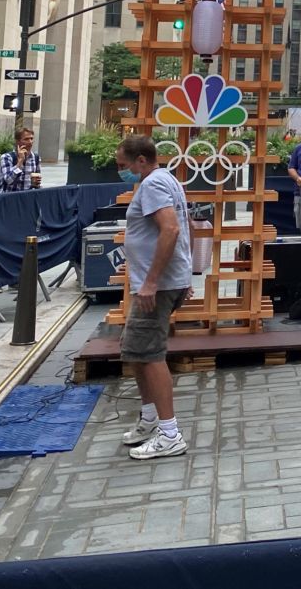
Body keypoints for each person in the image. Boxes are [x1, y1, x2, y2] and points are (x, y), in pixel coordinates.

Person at [116, 135, 193, 460]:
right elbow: (185, 228)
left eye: (123, 166)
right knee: (135, 350)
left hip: (156, 288)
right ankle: (150, 419)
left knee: (149, 355)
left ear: (141, 161)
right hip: (164, 283)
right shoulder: (166, 180)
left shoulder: (152, 186)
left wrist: (151, 282)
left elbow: (172, 229)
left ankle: (169, 433)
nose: (121, 172)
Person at [0, 127, 41, 192]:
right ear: (17, 142)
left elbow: (36, 183)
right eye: (26, 139)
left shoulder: (36, 157)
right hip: (10, 198)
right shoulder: (6, 157)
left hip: (27, 198)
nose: (30, 142)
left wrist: (36, 183)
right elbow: (9, 180)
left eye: (31, 138)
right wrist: (20, 162)